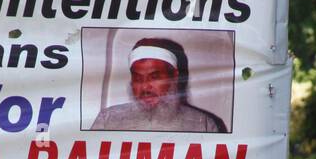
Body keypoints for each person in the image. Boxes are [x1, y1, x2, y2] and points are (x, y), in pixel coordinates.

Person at [90, 37, 228, 133]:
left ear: (174, 76)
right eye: (138, 78)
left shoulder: (203, 124)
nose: (145, 87)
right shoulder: (107, 120)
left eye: (154, 77)